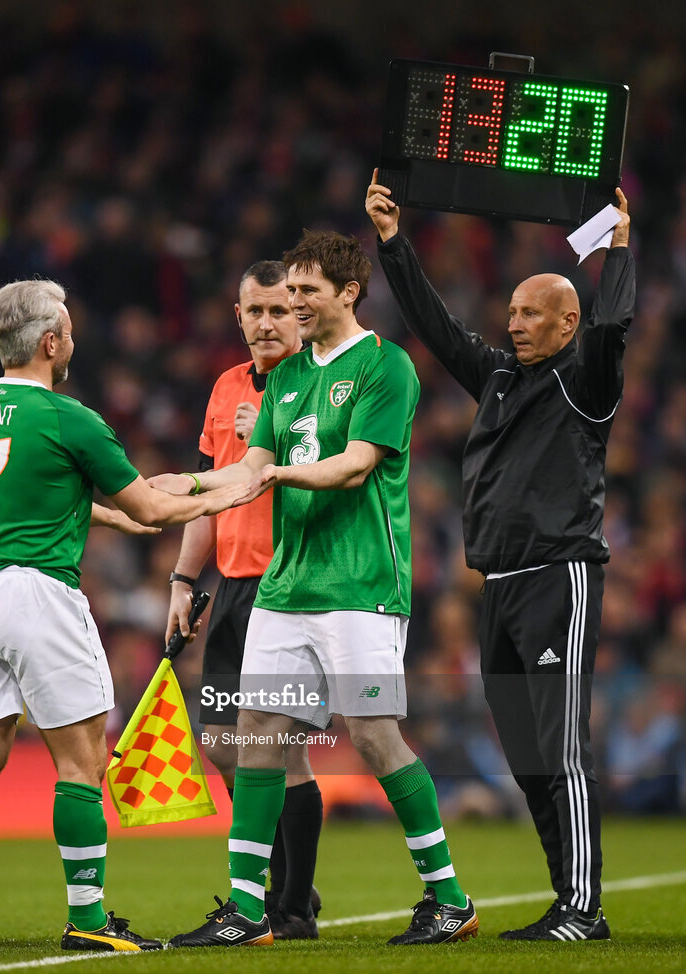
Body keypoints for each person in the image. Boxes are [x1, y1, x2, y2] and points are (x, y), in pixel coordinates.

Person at [0, 279, 248, 954]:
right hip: (37, 598)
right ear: (49, 343)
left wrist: (98, 514)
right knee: (81, 764)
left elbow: (29, 499)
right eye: (67, 330)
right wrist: (236, 484)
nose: (73, 339)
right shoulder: (71, 418)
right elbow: (155, 510)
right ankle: (88, 921)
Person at [157, 230, 478, 948]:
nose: (293, 303)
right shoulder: (288, 377)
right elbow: (247, 470)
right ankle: (248, 911)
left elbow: (356, 465)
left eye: (305, 292)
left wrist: (269, 476)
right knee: (256, 737)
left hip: (360, 585)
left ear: (347, 293)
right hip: (284, 588)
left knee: (371, 735)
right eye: (287, 292)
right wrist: (187, 488)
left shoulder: (385, 367)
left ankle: (448, 896)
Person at [366, 172, 634, 941]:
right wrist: (392, 241)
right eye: (510, 310)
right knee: (524, 754)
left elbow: (613, 326)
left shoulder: (586, 380)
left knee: (560, 746)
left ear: (565, 323)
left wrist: (619, 246)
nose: (511, 323)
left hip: (559, 576)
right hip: (502, 586)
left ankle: (584, 907)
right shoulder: (500, 381)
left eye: (528, 313)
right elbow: (438, 326)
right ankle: (564, 899)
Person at [167, 260, 323, 939]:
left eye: (278, 310)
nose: (265, 322)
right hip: (231, 586)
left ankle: (286, 906)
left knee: (285, 752)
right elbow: (206, 497)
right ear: (238, 316)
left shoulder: (318, 382)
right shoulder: (225, 387)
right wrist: (182, 581)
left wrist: (269, 429)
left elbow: (332, 480)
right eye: (254, 311)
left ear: (300, 313)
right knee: (226, 746)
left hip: (291, 585)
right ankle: (287, 891)